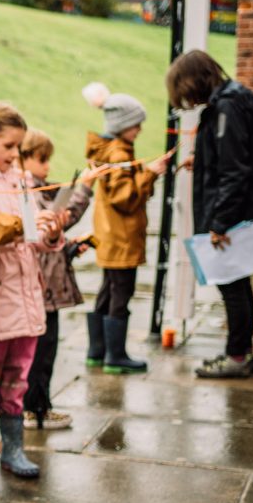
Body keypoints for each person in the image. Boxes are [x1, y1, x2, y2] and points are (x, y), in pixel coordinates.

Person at [165, 50, 253, 378]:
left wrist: (219, 224)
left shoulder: (227, 108)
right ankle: (240, 353)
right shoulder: (230, 103)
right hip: (238, 210)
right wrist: (201, 159)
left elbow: (234, 171)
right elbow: (230, 156)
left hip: (232, 215)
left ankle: (237, 357)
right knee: (238, 285)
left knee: (232, 287)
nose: (187, 98)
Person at [0, 103, 64, 484]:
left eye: (18, 147)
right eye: (8, 145)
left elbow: (36, 240)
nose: (15, 154)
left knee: (18, 378)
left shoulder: (21, 180)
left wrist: (50, 232)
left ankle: (12, 447)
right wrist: (18, 228)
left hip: (27, 297)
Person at [83, 83, 169, 374]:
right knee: (121, 293)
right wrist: (150, 173)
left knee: (108, 290)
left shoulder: (112, 149)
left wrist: (146, 174)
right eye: (136, 125)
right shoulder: (119, 154)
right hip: (120, 238)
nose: (140, 130)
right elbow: (125, 198)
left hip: (110, 236)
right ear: (122, 126)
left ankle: (98, 351)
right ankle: (115, 356)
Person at [19, 129, 98, 430]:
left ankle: (38, 406)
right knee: (41, 352)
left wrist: (68, 245)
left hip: (47, 283)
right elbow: (54, 221)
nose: (47, 166)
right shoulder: (29, 190)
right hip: (42, 287)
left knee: (45, 350)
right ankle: (34, 408)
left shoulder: (38, 187)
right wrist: (85, 189)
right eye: (42, 160)